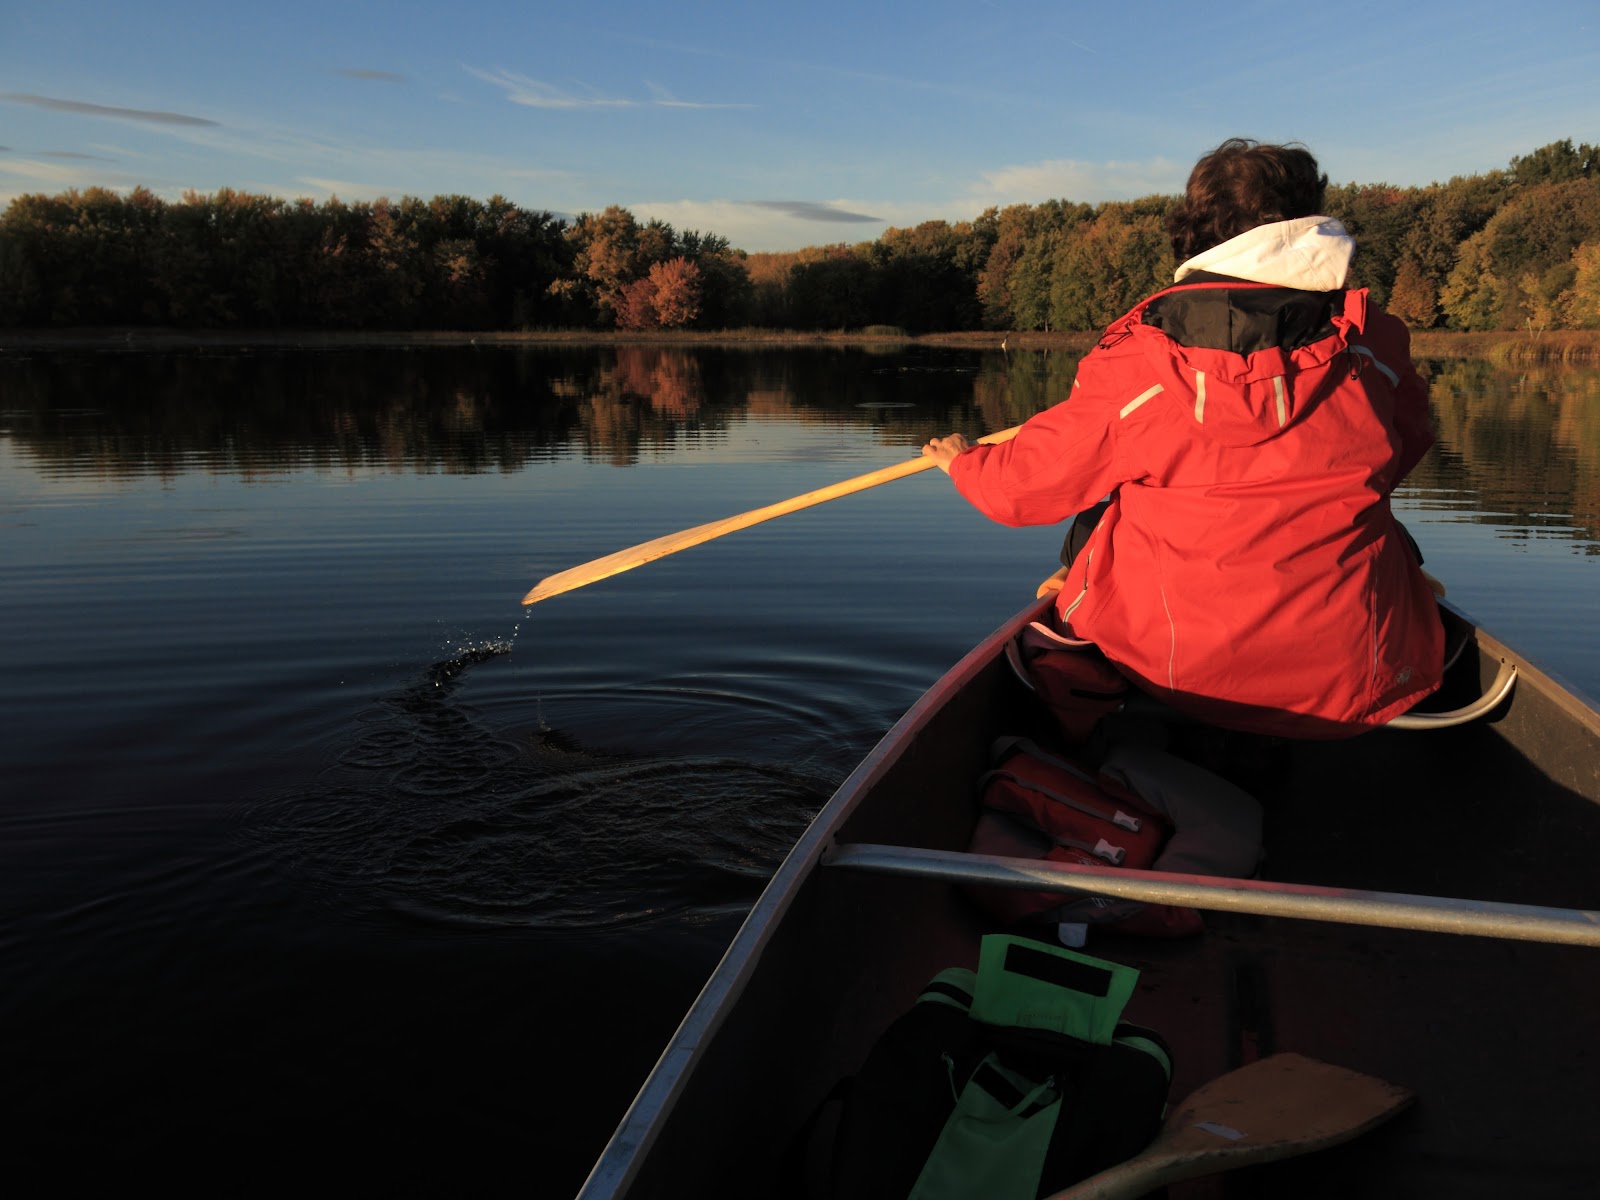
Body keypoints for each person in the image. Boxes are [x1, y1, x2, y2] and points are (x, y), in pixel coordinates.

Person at [923, 138, 1444, 739]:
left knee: (1100, 517)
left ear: (1194, 232)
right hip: (1356, 679)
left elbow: (1020, 491)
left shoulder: (1139, 362)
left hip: (1179, 675)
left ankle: (1082, 637)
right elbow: (1406, 443)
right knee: (1380, 522)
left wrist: (965, 463)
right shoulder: (1374, 342)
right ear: (1308, 219)